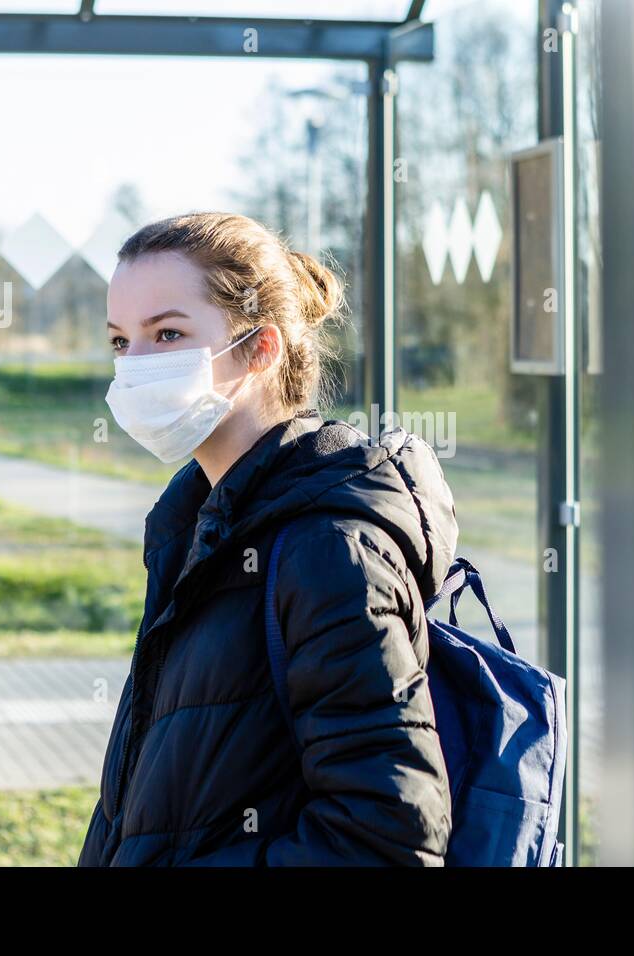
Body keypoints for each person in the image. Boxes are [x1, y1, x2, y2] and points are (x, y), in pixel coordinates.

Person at [77, 212, 457, 866]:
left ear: (261, 348)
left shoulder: (328, 548)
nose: (134, 369)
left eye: (167, 334)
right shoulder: (199, 526)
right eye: (120, 342)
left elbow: (388, 834)